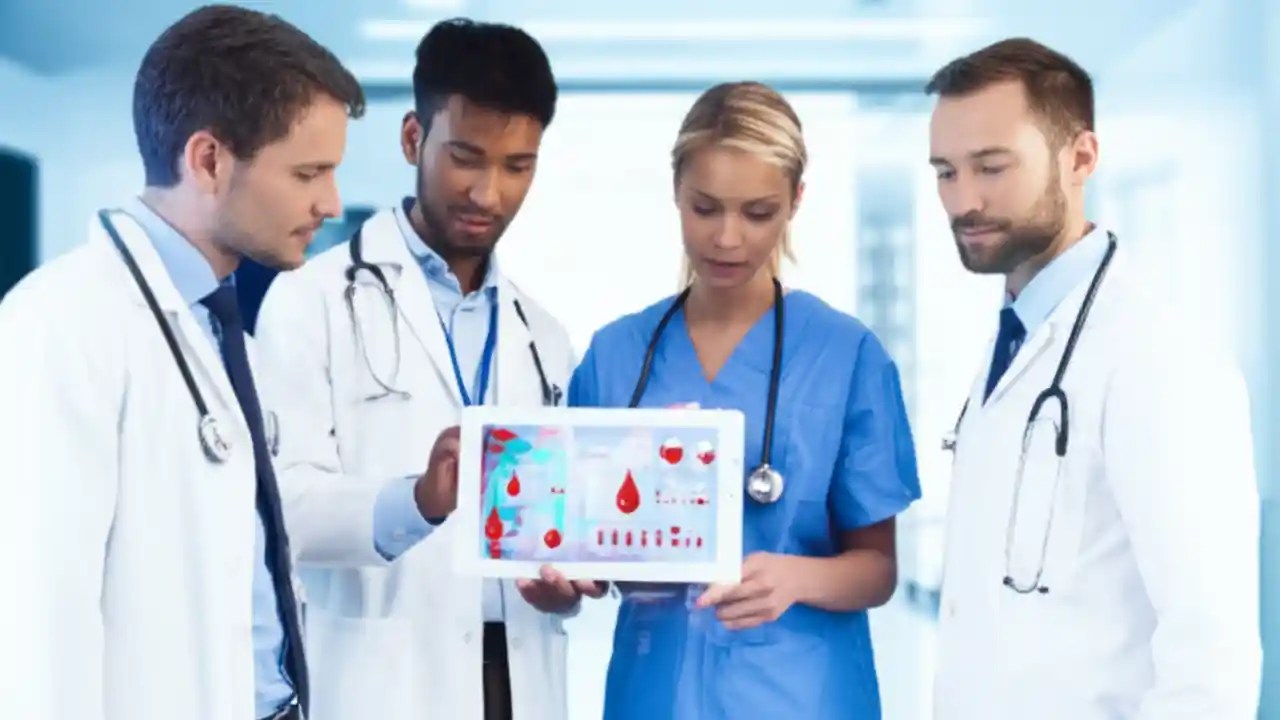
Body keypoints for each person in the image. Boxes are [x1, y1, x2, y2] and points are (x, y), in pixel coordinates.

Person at [0, 6, 364, 720]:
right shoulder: (60, 325)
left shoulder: (221, 335)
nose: (331, 202)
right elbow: (35, 629)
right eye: (308, 173)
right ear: (208, 161)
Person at [253, 18, 601, 720]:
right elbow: (280, 510)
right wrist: (417, 500)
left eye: (517, 166)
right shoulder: (311, 301)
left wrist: (566, 585)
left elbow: (556, 522)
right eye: (465, 158)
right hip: (387, 686)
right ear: (414, 138)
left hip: (519, 682)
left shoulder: (542, 335)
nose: (488, 194)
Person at [926, 38, 1262, 718]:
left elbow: (1212, 657)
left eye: (991, 167)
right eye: (946, 172)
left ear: (1080, 158)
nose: (965, 200)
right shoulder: (1016, 338)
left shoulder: (1159, 354)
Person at [567, 80, 921, 720]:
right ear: (676, 191)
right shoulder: (616, 356)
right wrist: (563, 580)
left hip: (799, 697)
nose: (728, 238)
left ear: (796, 201)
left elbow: (878, 568)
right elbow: (584, 551)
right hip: (654, 693)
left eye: (758, 213)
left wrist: (796, 577)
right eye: (705, 208)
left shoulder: (846, 355)